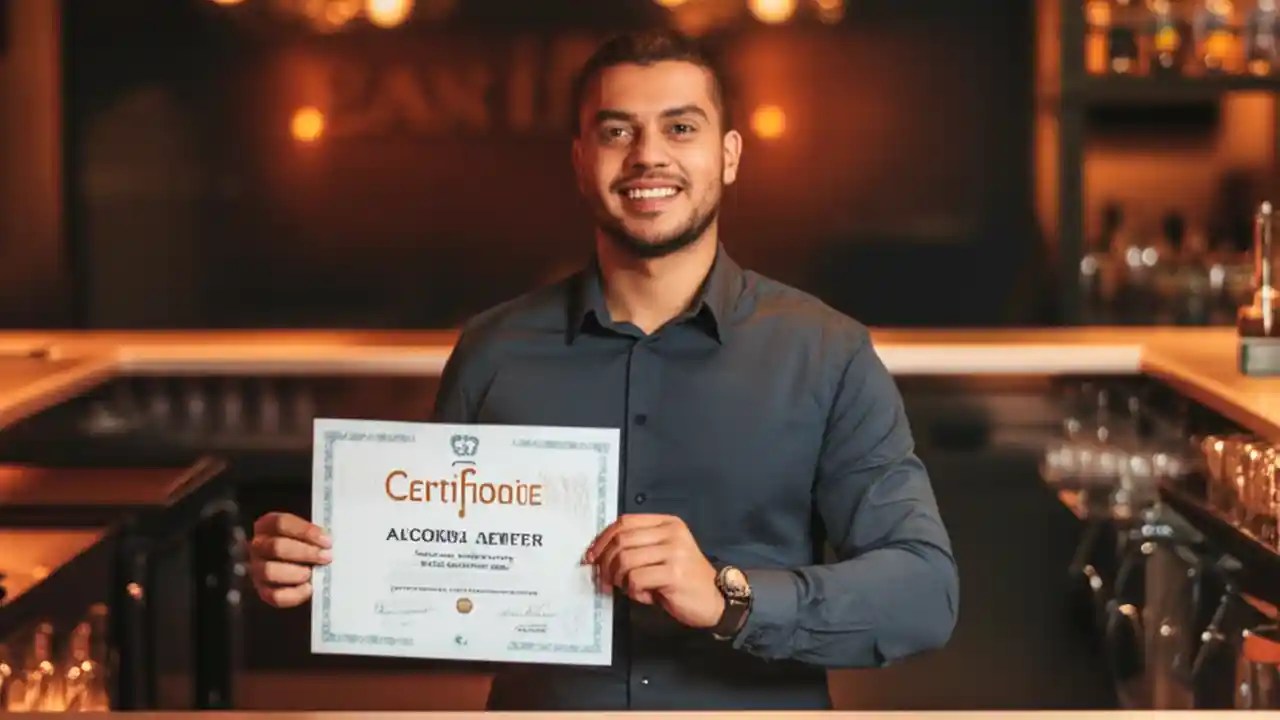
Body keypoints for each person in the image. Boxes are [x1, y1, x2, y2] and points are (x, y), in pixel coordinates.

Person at [248, 29, 959, 711]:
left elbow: (925, 594)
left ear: (730, 154)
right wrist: (320, 565)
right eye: (618, 131)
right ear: (581, 157)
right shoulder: (494, 351)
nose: (649, 155)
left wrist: (727, 596)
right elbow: (439, 569)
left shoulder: (827, 353)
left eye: (681, 128)